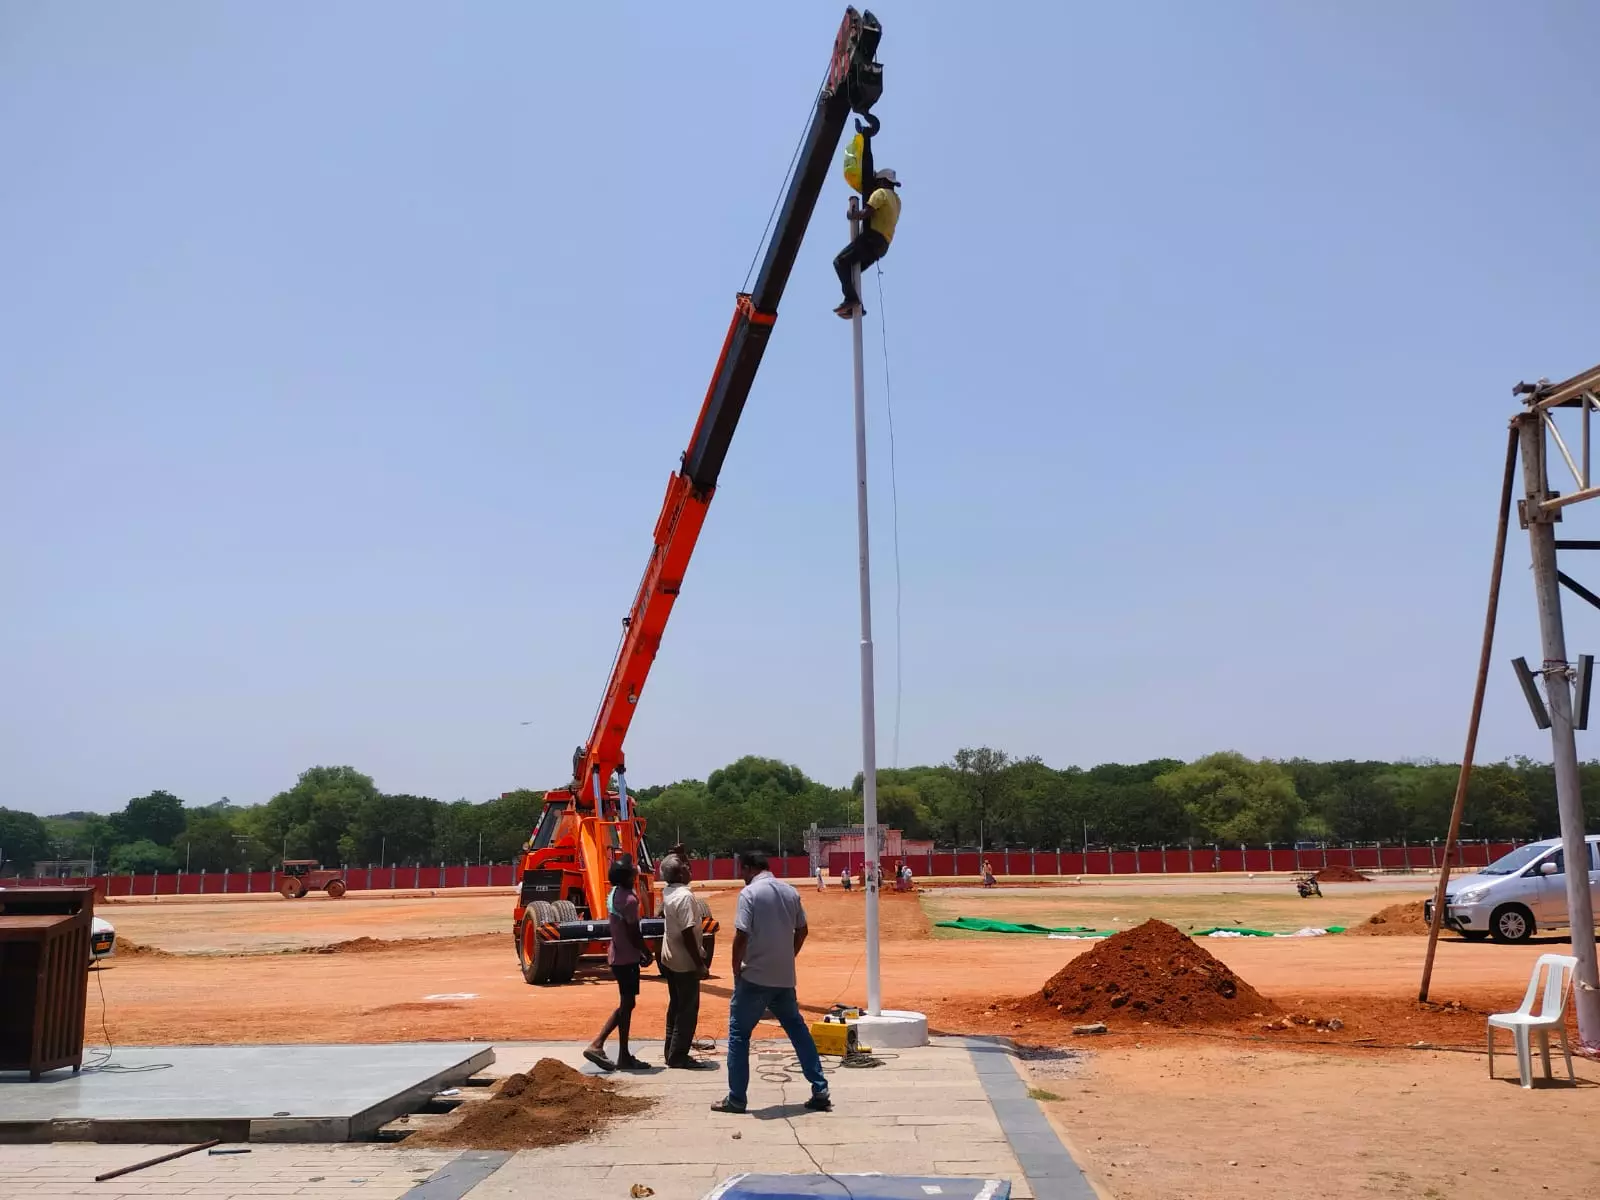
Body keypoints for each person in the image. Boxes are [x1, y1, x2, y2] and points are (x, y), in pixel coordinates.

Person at [711, 850, 831, 1114]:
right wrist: (790, 955)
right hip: (784, 978)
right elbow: (803, 929)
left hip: (754, 976)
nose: (740, 875)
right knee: (798, 1030)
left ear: (749, 868)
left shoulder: (750, 894)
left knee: (739, 1035)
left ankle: (737, 1098)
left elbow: (741, 935)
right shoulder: (790, 891)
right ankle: (820, 1088)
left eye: (741, 870)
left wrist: (735, 969)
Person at [584, 857, 652, 1072]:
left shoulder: (614, 894)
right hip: (627, 957)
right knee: (627, 1005)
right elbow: (633, 932)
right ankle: (598, 1044)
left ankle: (623, 1055)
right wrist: (645, 951)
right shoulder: (630, 900)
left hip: (617, 955)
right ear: (629, 877)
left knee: (627, 1004)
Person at [660, 856, 713, 1069]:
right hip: (684, 961)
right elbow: (688, 932)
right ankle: (678, 1055)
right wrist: (699, 963)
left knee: (676, 1004)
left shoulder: (668, 891)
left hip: (670, 957)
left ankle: (670, 1051)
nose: (690, 869)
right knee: (688, 1009)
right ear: (681, 874)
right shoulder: (685, 897)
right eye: (686, 867)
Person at [832, 165, 901, 318]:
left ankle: (852, 300)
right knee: (851, 272)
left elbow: (866, 213)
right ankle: (857, 307)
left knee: (840, 262)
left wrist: (852, 215)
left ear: (881, 181)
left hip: (871, 239)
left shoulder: (880, 193)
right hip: (882, 247)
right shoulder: (897, 201)